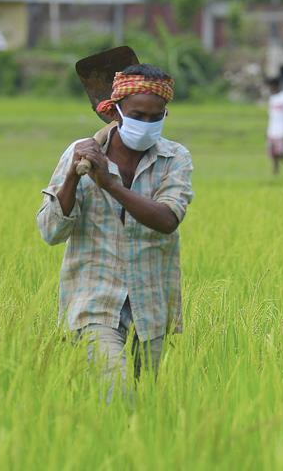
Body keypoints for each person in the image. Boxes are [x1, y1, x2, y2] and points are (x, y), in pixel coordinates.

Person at [37, 64, 193, 401]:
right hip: (95, 304)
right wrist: (73, 178)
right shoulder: (80, 154)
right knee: (118, 394)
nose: (147, 124)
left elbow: (167, 219)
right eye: (139, 115)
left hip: (151, 307)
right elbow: (50, 232)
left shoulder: (174, 158)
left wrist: (109, 184)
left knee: (147, 402)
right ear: (117, 111)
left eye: (157, 116)